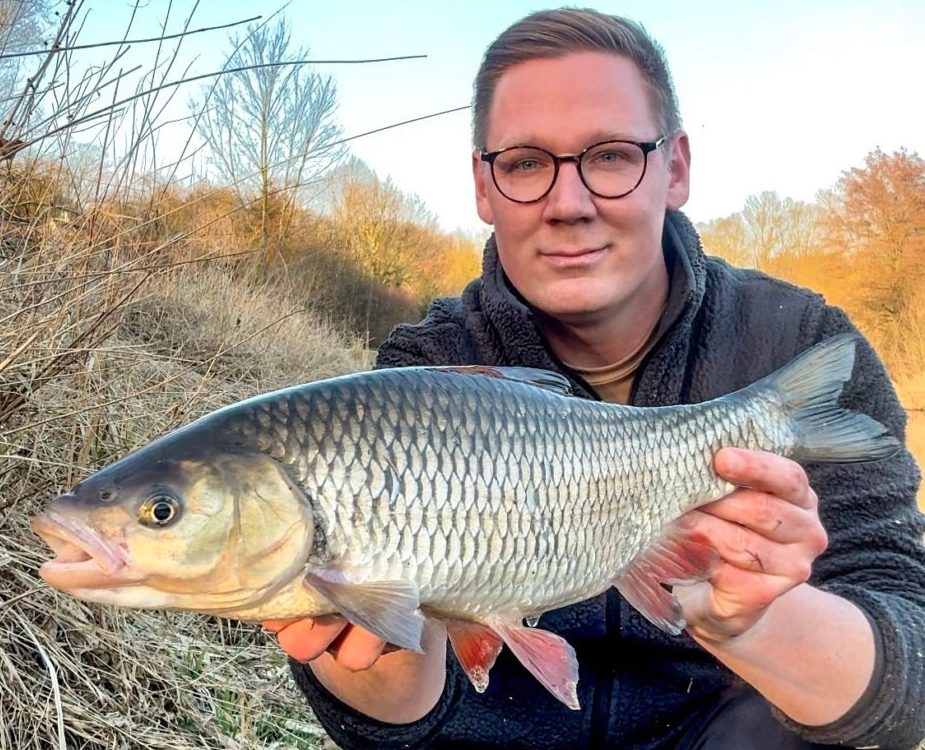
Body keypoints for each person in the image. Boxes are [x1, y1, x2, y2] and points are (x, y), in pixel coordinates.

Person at [263, 9, 925, 749]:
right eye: (525, 163)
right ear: (483, 186)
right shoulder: (420, 378)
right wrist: (372, 640)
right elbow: (394, 716)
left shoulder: (796, 341)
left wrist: (757, 621)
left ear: (675, 168)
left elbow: (911, 670)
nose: (569, 205)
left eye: (610, 156)